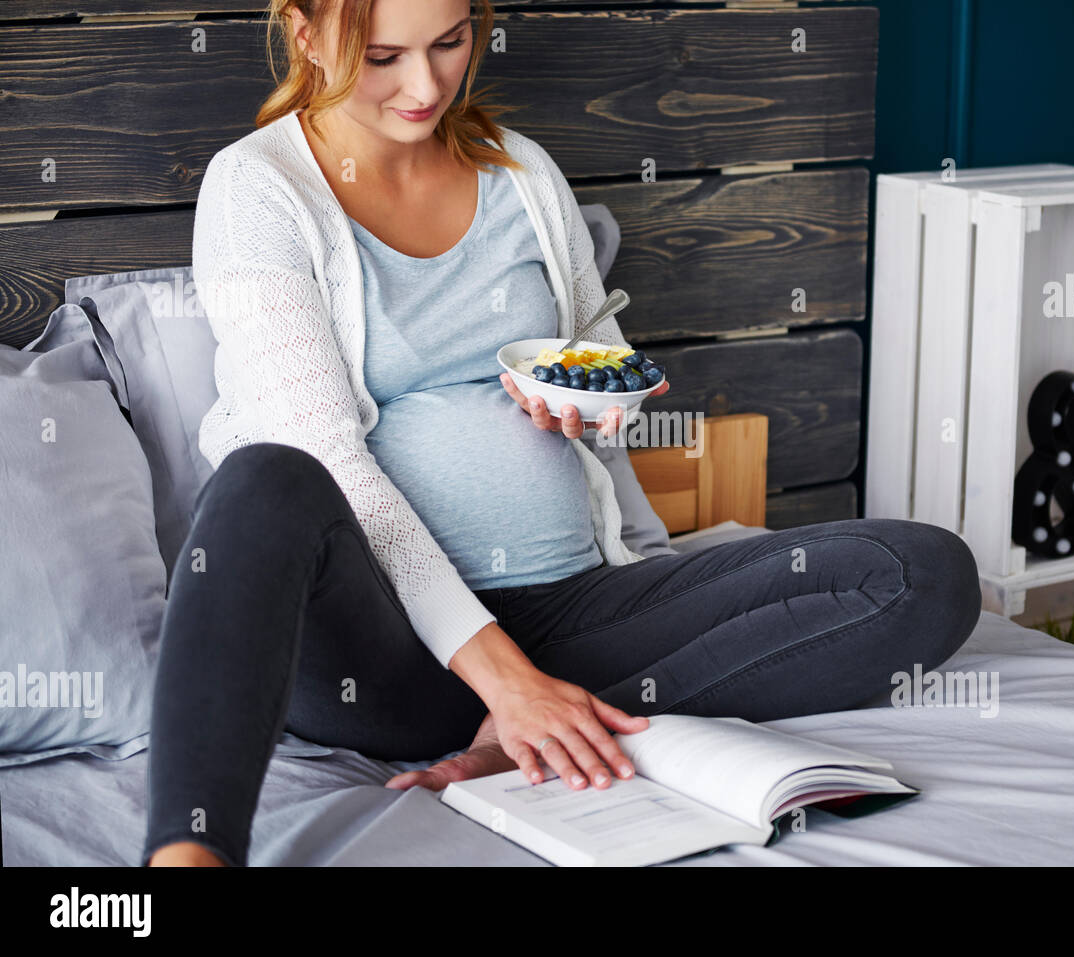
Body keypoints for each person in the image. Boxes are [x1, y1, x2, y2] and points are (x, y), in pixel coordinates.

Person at [143, 0, 982, 866]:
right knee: (266, 477)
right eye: (385, 55)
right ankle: (189, 860)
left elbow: (605, 363)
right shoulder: (259, 188)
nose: (426, 85)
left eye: (450, 42)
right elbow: (328, 461)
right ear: (307, 33)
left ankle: (533, 723)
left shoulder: (523, 175)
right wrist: (504, 677)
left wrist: (598, 402)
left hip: (572, 611)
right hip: (380, 651)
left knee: (921, 574)